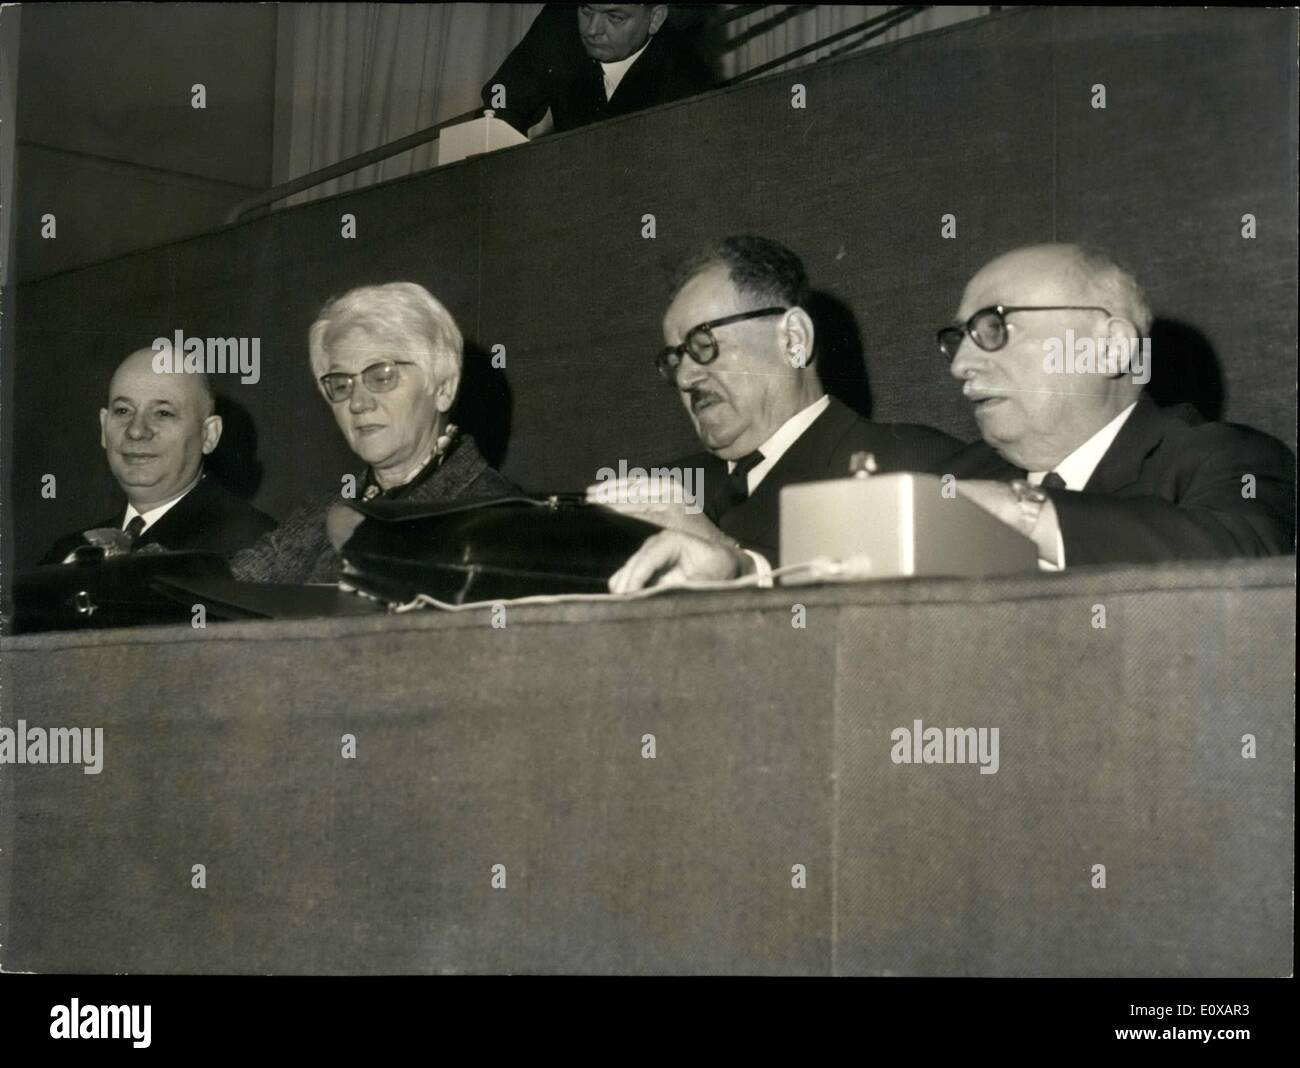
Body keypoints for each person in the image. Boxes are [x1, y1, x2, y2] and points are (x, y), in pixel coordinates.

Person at [592, 235, 960, 592]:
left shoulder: (917, 465)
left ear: (793, 339)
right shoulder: (663, 490)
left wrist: (734, 563)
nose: (686, 377)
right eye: (675, 360)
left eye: (703, 345)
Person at [940, 243, 1295, 566]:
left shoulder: (1228, 458)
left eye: (993, 328)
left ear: (1111, 349)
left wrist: (1021, 514)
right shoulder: (955, 476)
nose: (960, 365)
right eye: (958, 338)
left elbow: (1244, 563)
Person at [230, 283, 516, 584]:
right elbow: (224, 586)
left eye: (382, 376)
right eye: (341, 384)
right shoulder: (319, 514)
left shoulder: (501, 521)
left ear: (443, 389)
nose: (357, 403)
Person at [40, 348, 275, 564]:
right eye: (123, 410)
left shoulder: (252, 547)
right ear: (103, 427)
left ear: (208, 435)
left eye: (163, 413)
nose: (136, 431)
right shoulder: (67, 554)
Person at [482, 4, 714, 135]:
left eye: (614, 18)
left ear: (655, 19)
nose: (592, 30)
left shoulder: (688, 80)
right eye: (586, 10)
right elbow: (502, 92)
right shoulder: (559, 22)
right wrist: (496, 127)